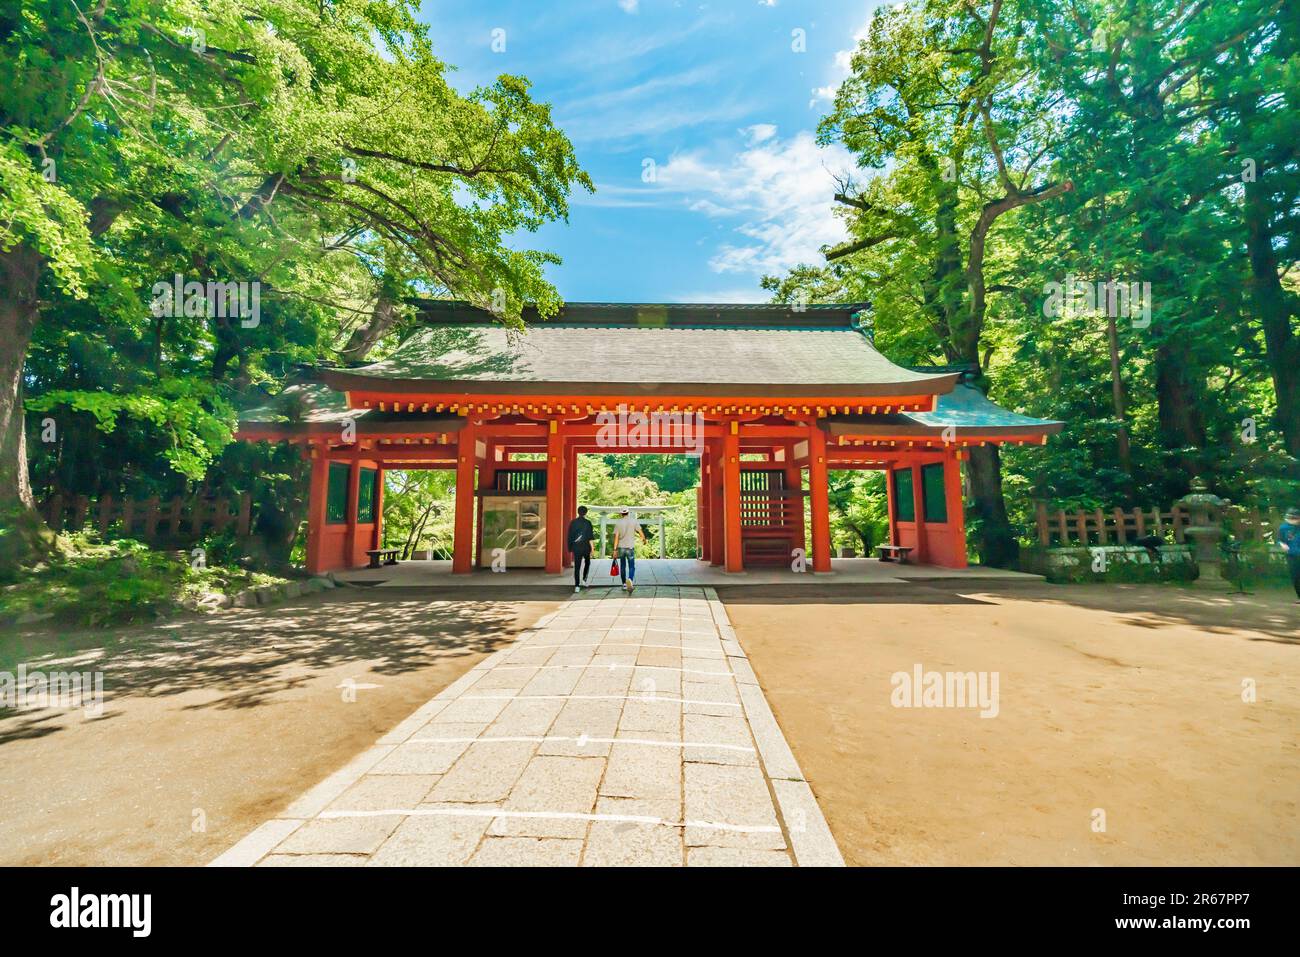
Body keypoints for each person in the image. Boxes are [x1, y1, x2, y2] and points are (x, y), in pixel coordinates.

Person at [611, 506, 646, 593]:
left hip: (621, 548)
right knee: (631, 566)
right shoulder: (634, 521)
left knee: (623, 566)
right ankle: (630, 579)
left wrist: (615, 550)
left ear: (621, 513)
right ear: (628, 512)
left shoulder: (618, 523)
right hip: (630, 547)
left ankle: (624, 584)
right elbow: (640, 532)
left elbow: (616, 537)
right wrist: (644, 540)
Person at [567, 505, 595, 593]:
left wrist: (570, 547)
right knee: (587, 563)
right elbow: (590, 537)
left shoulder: (573, 522)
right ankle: (584, 580)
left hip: (576, 547)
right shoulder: (588, 523)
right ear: (586, 513)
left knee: (577, 566)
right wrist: (592, 549)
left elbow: (569, 536)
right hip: (586, 547)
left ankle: (577, 586)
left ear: (578, 512)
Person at [1278, 507, 1300, 602]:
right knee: (1295, 577)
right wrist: (1282, 544)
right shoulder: (1283, 528)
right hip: (1292, 555)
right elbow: (1280, 540)